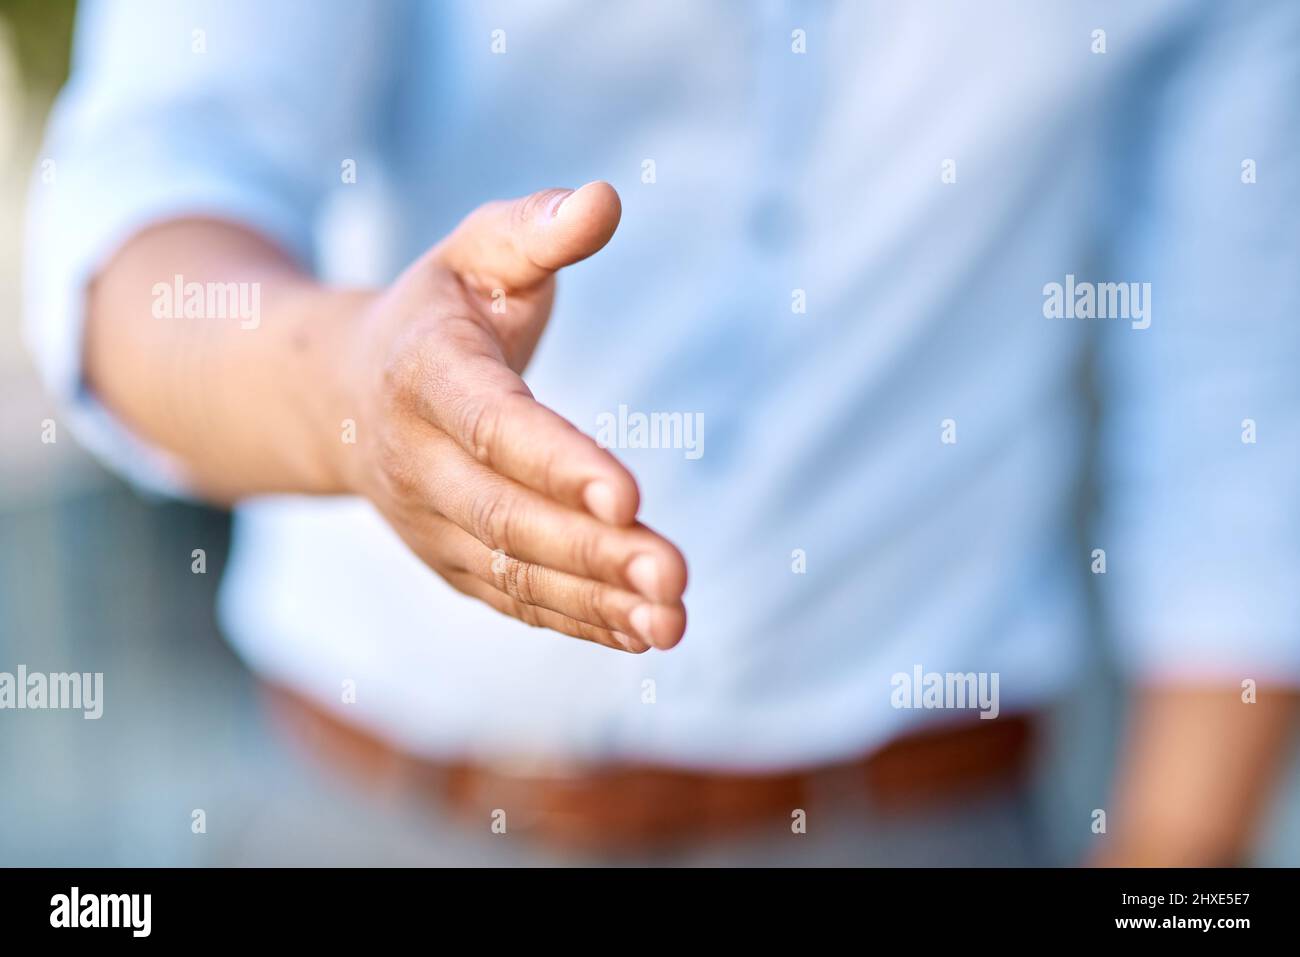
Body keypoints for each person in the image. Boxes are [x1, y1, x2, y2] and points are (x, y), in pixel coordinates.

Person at [25, 0, 1300, 865]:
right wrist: (359, 392)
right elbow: (150, 212)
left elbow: (1236, 417)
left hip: (916, 825)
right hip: (370, 820)